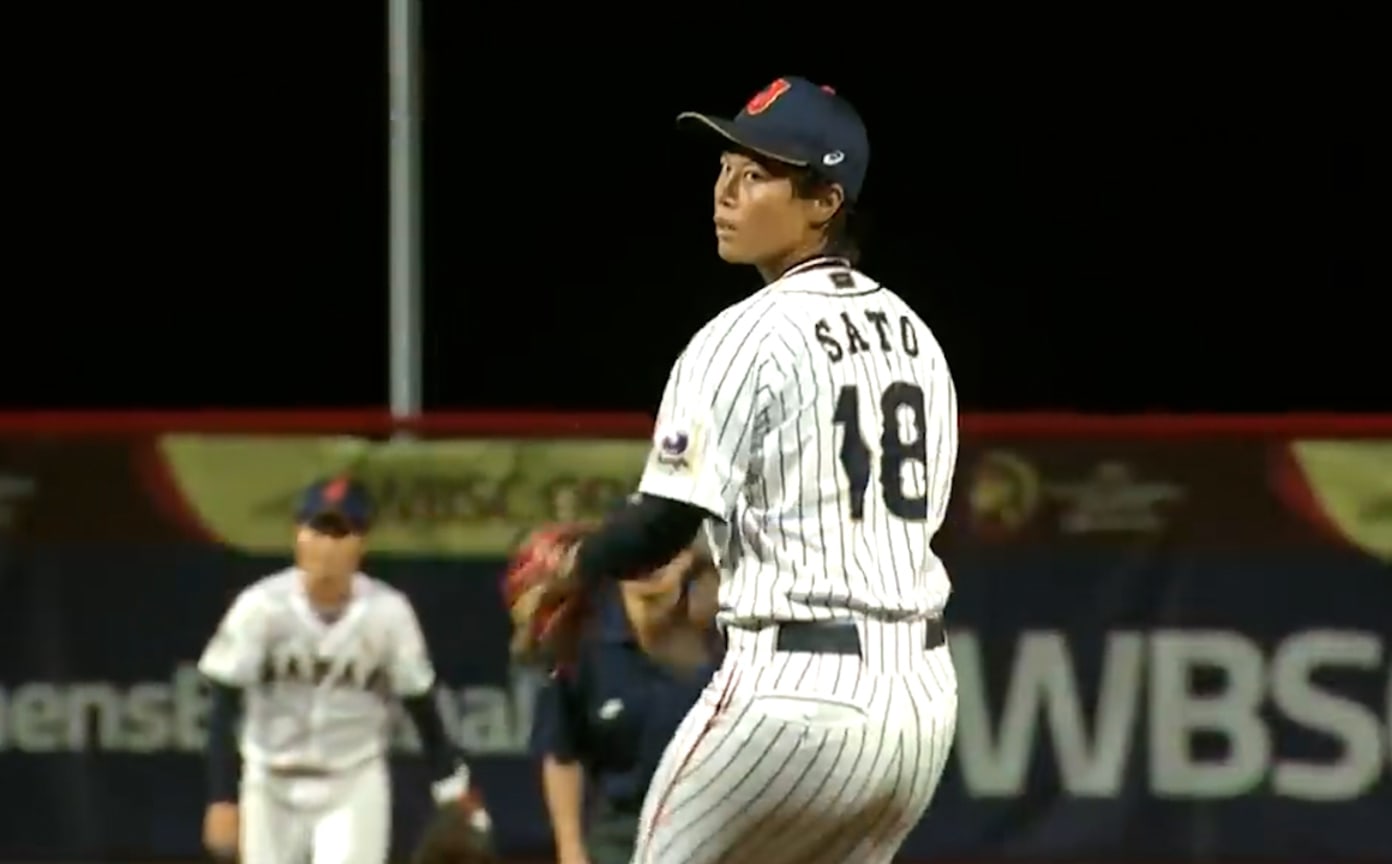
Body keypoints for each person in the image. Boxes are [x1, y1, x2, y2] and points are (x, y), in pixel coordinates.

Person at [537, 76, 960, 863]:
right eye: (726, 168)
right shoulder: (918, 339)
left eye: (757, 174)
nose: (726, 191)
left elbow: (661, 524)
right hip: (921, 700)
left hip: (793, 694)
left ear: (825, 201)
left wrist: (576, 564)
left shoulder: (743, 335)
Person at [198, 475, 490, 864]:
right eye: (318, 530)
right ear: (297, 536)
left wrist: (452, 788)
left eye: (343, 533)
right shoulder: (261, 607)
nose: (328, 546)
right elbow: (223, 706)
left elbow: (423, 708)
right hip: (269, 785)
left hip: (352, 784)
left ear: (362, 543)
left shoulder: (389, 613)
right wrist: (222, 798)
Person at [510, 521, 719, 864]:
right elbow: (563, 753)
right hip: (623, 836)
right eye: (637, 553)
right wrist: (571, 849)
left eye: (663, 550)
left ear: (688, 559)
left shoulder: (729, 638)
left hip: (719, 828)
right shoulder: (582, 644)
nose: (650, 564)